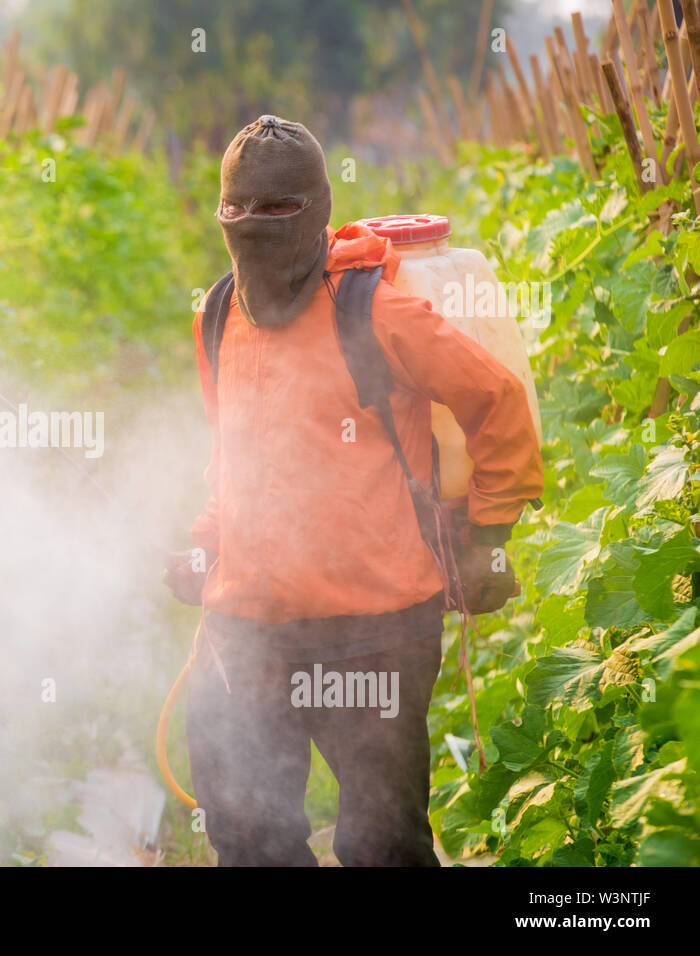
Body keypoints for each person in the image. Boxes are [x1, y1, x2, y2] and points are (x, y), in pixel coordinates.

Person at [163, 114, 543, 866]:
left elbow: (495, 399)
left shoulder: (373, 309)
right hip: (248, 627)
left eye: (277, 208)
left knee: (381, 844)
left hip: (374, 631)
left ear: (317, 210)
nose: (253, 224)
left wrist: (490, 538)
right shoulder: (217, 314)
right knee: (248, 834)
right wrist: (205, 543)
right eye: (237, 208)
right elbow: (233, 456)